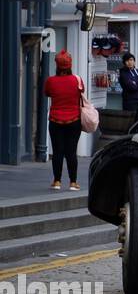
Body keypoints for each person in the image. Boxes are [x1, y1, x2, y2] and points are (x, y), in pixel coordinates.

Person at [44, 50, 84, 192]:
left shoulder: (50, 81)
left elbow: (47, 93)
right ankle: (73, 182)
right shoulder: (77, 80)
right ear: (70, 65)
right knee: (71, 152)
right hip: (74, 120)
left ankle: (57, 181)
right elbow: (81, 92)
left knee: (57, 151)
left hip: (55, 120)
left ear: (57, 65)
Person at [118, 53, 138, 121]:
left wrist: (136, 82)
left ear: (134, 61)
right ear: (124, 62)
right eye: (127, 61)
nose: (130, 62)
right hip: (130, 102)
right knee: (130, 122)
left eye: (131, 60)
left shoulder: (137, 71)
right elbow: (132, 87)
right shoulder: (123, 73)